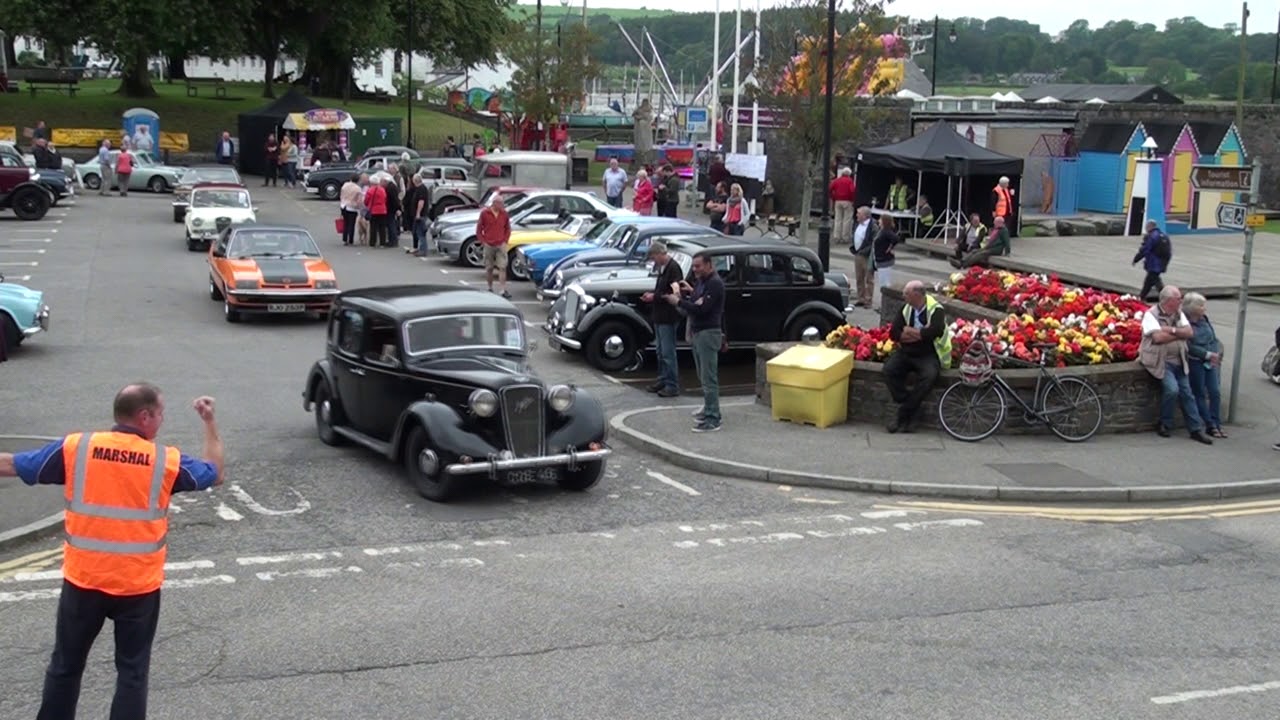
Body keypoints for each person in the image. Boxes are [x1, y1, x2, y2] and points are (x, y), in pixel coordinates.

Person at [0, 383, 224, 720]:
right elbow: (215, 474)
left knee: (65, 667)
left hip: (84, 582)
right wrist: (209, 421)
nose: (162, 420)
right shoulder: (164, 461)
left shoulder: (78, 447)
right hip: (137, 587)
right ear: (144, 416)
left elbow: (10, 465)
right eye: (161, 413)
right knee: (132, 674)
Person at [1139, 285, 1212, 444]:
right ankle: (1165, 423)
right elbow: (1157, 338)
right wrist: (1179, 334)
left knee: (1187, 393)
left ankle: (1195, 430)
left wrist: (1169, 330)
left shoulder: (1179, 313)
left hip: (1179, 360)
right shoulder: (1151, 315)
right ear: (1168, 301)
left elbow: (1190, 333)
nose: (1181, 300)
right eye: (1178, 298)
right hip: (1161, 362)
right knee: (1172, 390)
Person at [883, 281, 952, 433]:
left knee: (929, 377)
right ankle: (911, 406)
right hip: (907, 351)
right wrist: (919, 333)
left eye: (906, 293)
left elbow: (934, 332)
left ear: (917, 295)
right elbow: (894, 333)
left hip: (928, 353)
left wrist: (909, 331)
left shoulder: (936, 310)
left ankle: (903, 413)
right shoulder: (906, 308)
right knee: (889, 370)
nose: (903, 296)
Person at [668, 252, 725, 432]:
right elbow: (694, 303)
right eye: (693, 266)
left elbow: (702, 309)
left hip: (708, 333)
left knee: (709, 378)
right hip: (698, 332)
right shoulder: (702, 282)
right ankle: (708, 408)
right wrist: (685, 296)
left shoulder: (715, 284)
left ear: (709, 265)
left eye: (698, 266)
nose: (695, 270)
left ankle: (713, 417)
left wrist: (678, 301)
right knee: (702, 375)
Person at [642, 242, 684, 398]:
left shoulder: (673, 269)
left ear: (660, 254)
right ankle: (663, 379)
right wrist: (654, 295)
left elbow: (674, 293)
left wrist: (655, 296)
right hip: (660, 315)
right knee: (660, 351)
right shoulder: (663, 268)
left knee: (668, 352)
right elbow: (663, 289)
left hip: (668, 316)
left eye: (654, 257)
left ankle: (672, 384)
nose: (654, 261)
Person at [1182, 291, 1226, 439]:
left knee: (1215, 392)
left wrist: (1214, 354)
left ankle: (1216, 422)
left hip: (1210, 361)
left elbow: (1213, 338)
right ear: (1192, 308)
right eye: (1201, 305)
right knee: (1199, 392)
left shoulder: (1204, 319)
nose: (1204, 308)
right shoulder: (1185, 323)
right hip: (1196, 361)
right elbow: (1188, 345)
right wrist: (1206, 355)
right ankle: (1210, 425)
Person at [477, 194, 512, 298]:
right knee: (489, 267)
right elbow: (479, 229)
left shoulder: (504, 214)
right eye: (501, 203)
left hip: (501, 244)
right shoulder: (485, 213)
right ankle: (490, 287)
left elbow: (508, 228)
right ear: (495, 203)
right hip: (489, 244)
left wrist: (505, 240)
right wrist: (483, 241)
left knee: (502, 267)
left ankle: (502, 289)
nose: (502, 205)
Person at [1132, 220, 1172, 302]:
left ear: (1149, 227)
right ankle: (1141, 297)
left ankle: (1167, 297)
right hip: (1162, 262)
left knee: (1156, 281)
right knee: (1148, 281)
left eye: (1146, 227)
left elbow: (1145, 249)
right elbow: (1169, 251)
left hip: (1153, 263)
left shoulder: (1151, 236)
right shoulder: (1164, 235)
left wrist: (1136, 259)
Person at [849, 206, 878, 308]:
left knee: (869, 278)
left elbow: (875, 241)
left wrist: (866, 251)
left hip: (867, 255)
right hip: (858, 254)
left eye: (859, 213)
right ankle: (860, 298)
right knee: (859, 278)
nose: (857, 215)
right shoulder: (857, 224)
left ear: (865, 216)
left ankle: (868, 300)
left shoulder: (872, 226)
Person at [871, 214, 901, 302]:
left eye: (880, 219)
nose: (878, 221)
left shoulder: (886, 232)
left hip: (885, 260)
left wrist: (890, 247)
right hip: (880, 260)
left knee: (885, 283)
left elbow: (896, 238)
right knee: (882, 282)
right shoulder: (882, 231)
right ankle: (884, 302)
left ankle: (886, 302)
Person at [830, 166, 856, 241]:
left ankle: (837, 236)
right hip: (847, 201)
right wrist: (852, 200)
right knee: (847, 220)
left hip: (837, 201)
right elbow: (853, 191)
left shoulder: (837, 180)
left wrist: (833, 197)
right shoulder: (850, 181)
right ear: (849, 174)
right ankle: (845, 237)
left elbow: (830, 188)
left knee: (838, 219)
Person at [364, 174, 389, 248]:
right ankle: (382, 243)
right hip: (383, 210)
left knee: (373, 227)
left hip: (374, 210)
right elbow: (385, 199)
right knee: (382, 227)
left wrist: (367, 205)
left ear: (371, 182)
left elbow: (366, 200)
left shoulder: (370, 190)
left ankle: (373, 242)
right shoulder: (382, 189)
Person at [339, 174, 361, 246]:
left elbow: (341, 194)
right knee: (352, 224)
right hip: (352, 207)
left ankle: (345, 239)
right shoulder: (357, 188)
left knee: (346, 223)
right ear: (358, 180)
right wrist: (359, 207)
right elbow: (358, 200)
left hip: (343, 205)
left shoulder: (345, 185)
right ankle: (350, 240)